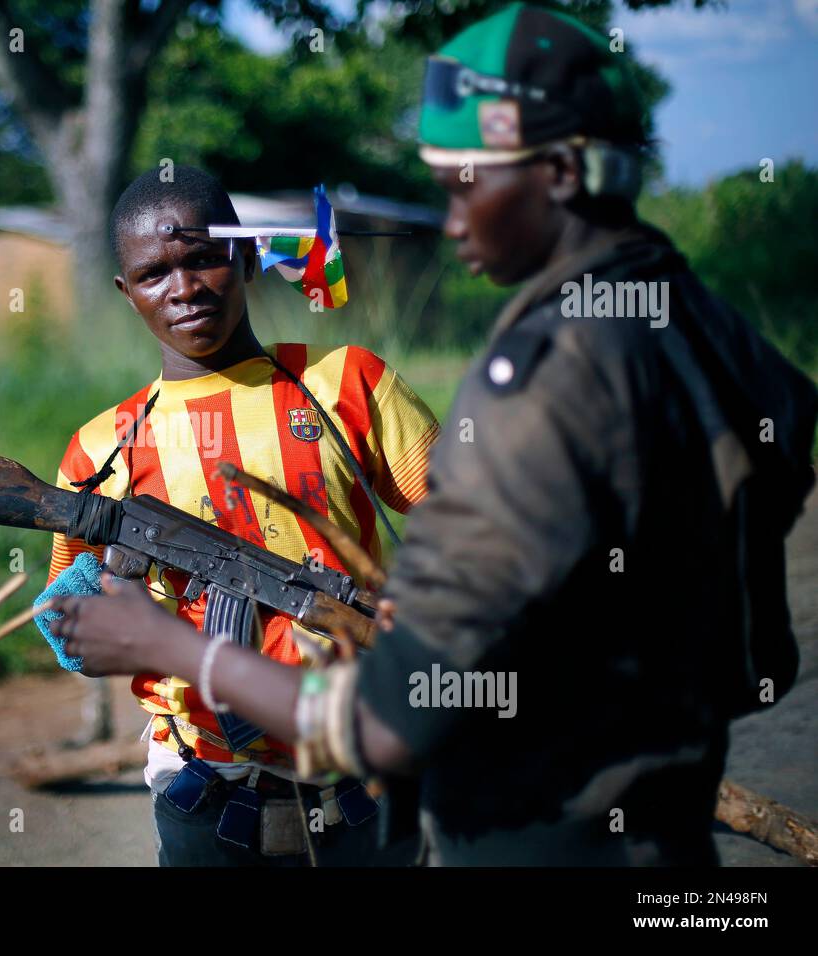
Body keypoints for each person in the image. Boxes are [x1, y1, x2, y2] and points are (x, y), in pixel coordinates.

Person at [50, 3, 818, 866]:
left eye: (464, 182)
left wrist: (186, 647)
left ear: (561, 171)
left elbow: (399, 702)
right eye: (156, 272)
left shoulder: (463, 377)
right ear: (126, 289)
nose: (451, 221)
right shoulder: (709, 328)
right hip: (225, 787)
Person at [41, 165, 439, 865]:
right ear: (125, 292)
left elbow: (469, 538)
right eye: (155, 272)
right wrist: (84, 609)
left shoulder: (345, 383)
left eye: (203, 259)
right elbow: (73, 618)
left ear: (248, 256)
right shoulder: (103, 448)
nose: (184, 288)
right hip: (205, 792)